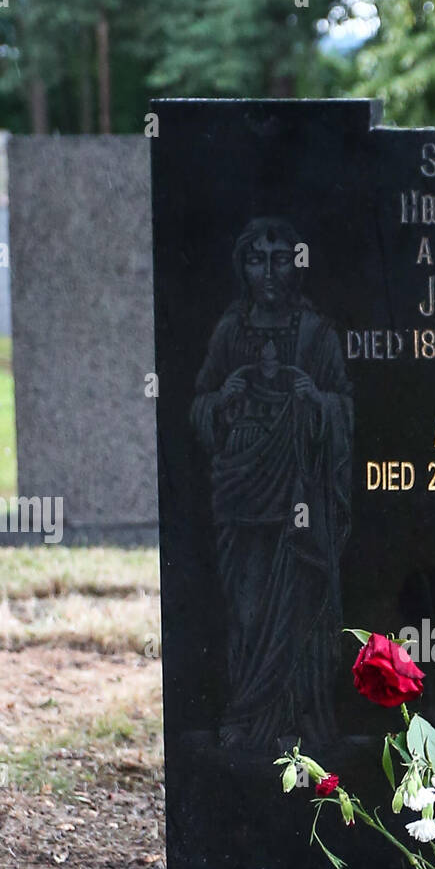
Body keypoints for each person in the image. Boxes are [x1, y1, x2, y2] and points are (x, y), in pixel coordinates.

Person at [191, 217, 353, 749]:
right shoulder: (228, 332)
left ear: (296, 265)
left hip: (297, 494)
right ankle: (244, 715)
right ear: (242, 265)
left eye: (280, 258)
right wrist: (222, 402)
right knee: (247, 609)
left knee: (297, 610)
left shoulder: (316, 335)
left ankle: (294, 724)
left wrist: (317, 403)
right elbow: (200, 405)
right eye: (256, 259)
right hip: (241, 491)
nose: (267, 271)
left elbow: (345, 408)